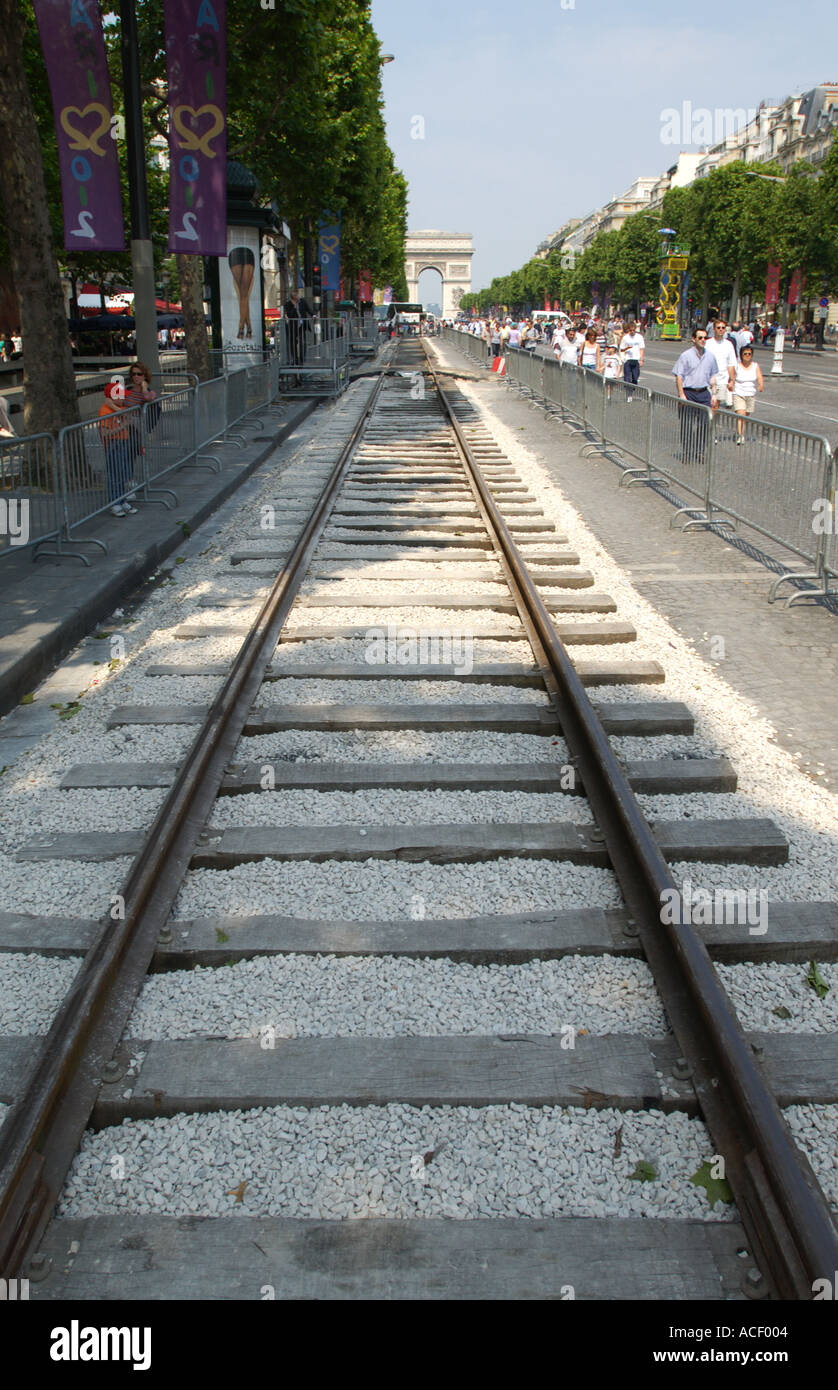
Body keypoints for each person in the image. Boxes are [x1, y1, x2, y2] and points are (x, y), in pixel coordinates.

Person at [672, 328, 718, 464]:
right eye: (700, 338)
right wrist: (681, 394)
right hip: (689, 393)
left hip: (704, 393)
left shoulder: (710, 356)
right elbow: (679, 376)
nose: (703, 340)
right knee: (687, 425)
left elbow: (713, 376)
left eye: (705, 338)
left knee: (704, 424)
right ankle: (686, 452)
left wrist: (714, 394)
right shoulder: (685, 356)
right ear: (694, 339)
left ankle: (699, 451)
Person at [97, 383, 137, 516]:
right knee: (115, 475)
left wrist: (113, 406)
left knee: (122, 473)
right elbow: (105, 433)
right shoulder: (104, 411)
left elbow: (128, 414)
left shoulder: (118, 407)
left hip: (123, 443)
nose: (123, 399)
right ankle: (115, 502)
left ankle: (122, 500)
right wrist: (123, 426)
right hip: (113, 445)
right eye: (120, 396)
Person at [731, 343, 764, 442]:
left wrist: (761, 384)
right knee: (741, 414)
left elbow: (759, 376)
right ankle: (740, 436)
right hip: (739, 393)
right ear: (741, 355)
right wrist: (731, 384)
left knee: (746, 415)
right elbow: (732, 377)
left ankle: (740, 432)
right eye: (745, 354)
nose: (747, 356)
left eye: (749, 354)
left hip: (750, 394)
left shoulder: (755, 365)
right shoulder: (737, 366)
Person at [704, 318, 737, 415]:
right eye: (718, 327)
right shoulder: (708, 343)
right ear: (714, 329)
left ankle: (710, 425)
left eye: (723, 327)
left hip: (722, 379)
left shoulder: (728, 344)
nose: (721, 329)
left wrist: (731, 381)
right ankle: (704, 424)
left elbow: (731, 364)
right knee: (707, 403)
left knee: (716, 405)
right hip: (708, 379)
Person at [619, 319, 645, 400]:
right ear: (628, 330)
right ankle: (628, 393)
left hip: (636, 359)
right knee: (627, 378)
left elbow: (641, 348)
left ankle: (632, 388)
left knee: (635, 377)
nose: (632, 332)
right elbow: (622, 349)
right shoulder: (625, 338)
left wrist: (641, 359)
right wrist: (623, 358)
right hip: (628, 359)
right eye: (630, 330)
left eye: (634, 330)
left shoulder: (639, 337)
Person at [284, 290, 311, 365]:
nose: (298, 297)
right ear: (293, 298)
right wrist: (294, 307)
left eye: (298, 295)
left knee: (302, 341)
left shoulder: (302, 301)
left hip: (301, 325)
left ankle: (302, 359)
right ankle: (295, 358)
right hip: (293, 326)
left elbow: (308, 310)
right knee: (293, 343)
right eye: (296, 296)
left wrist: (313, 315)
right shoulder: (288, 304)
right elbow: (289, 315)